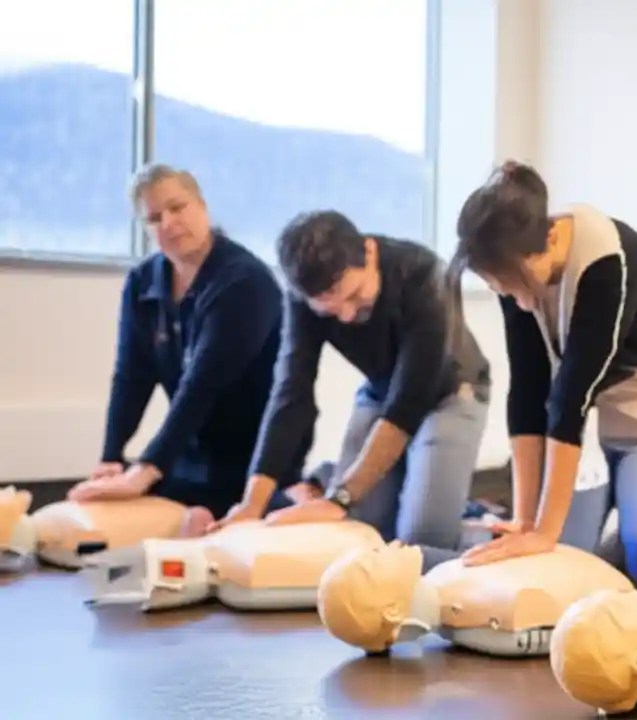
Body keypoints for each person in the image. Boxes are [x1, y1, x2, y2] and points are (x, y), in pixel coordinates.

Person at [447, 160, 637, 591]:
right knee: (548, 569)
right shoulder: (511, 270)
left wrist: (544, 531)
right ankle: (605, 552)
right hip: (594, 431)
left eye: (512, 281)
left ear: (550, 237)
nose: (510, 296)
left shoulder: (612, 259)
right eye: (497, 284)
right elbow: (529, 389)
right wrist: (524, 519)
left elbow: (571, 396)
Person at [209, 210, 491, 552]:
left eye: (355, 296)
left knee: (419, 539)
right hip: (380, 391)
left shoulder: (424, 274)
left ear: (369, 252)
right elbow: (290, 394)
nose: (346, 316)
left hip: (449, 391)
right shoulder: (302, 297)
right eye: (329, 311)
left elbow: (409, 400)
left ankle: (477, 517)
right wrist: (251, 505)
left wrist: (341, 495)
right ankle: (339, 478)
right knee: (356, 529)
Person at [68, 163, 296, 534]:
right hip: (188, 455)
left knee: (211, 519)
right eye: (154, 218)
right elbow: (131, 376)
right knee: (91, 498)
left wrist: (145, 471)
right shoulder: (143, 283)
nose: (169, 224)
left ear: (202, 206)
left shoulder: (245, 282)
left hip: (255, 462)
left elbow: (202, 383)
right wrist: (111, 456)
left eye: (178, 207)